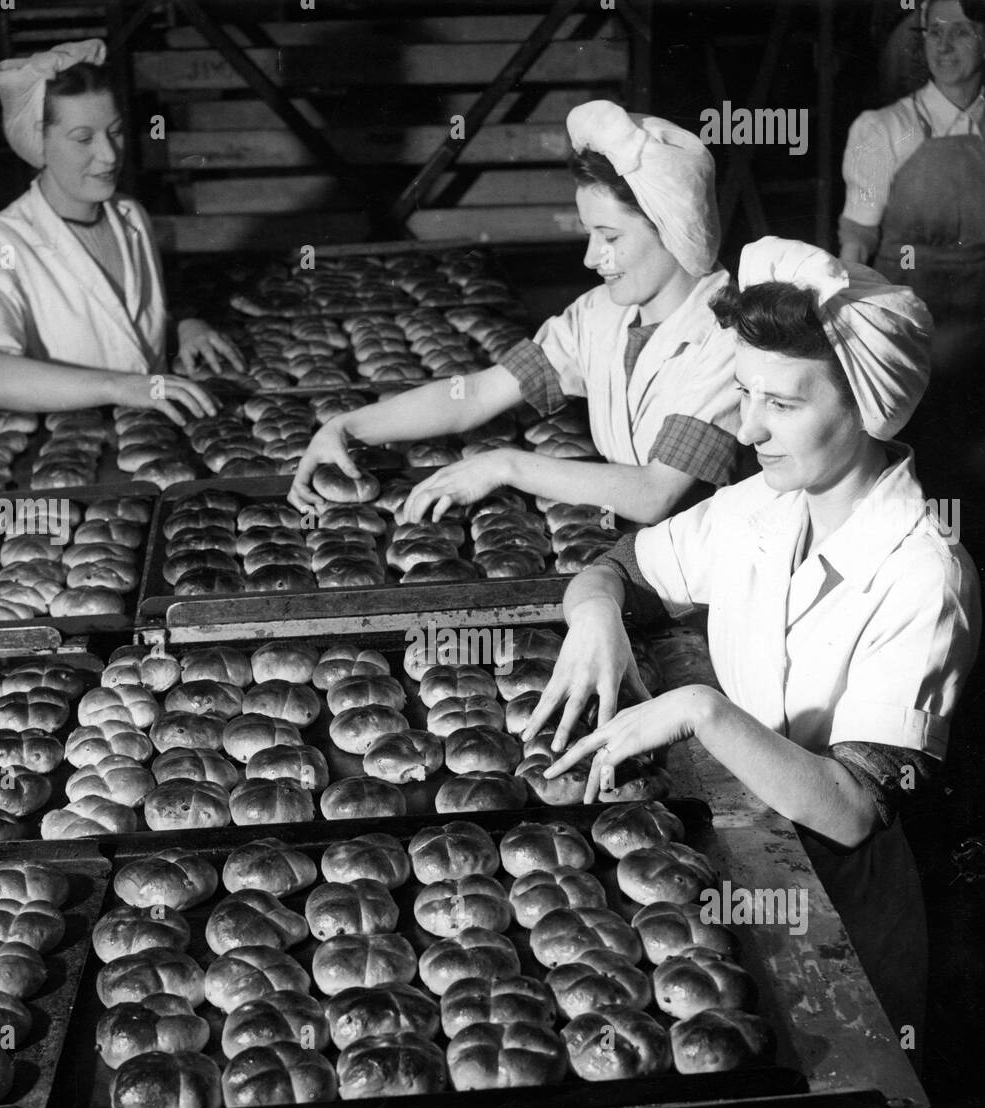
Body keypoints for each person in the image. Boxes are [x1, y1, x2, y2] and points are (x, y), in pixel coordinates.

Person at [527, 237, 981, 1045]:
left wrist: (698, 709)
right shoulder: (760, 507)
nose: (748, 426)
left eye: (783, 402)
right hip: (739, 859)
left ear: (865, 408)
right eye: (742, 392)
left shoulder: (922, 574)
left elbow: (850, 810)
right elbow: (616, 566)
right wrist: (596, 615)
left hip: (843, 909)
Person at [289, 101, 742, 525]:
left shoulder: (729, 338)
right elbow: (477, 393)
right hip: (636, 544)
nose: (590, 258)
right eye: (588, 233)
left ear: (673, 230)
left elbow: (653, 494)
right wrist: (347, 426)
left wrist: (503, 465)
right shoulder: (600, 315)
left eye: (610, 236)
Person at [0, 40, 241, 424]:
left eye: (116, 132)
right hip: (65, 460)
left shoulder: (130, 216)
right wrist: (119, 387)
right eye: (84, 138)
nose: (108, 155)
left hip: (154, 447)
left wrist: (183, 328)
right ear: (38, 140)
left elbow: (119, 328)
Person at [839, 0, 985, 374]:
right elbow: (858, 239)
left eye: (960, 31)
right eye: (934, 32)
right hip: (908, 322)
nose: (943, 45)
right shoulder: (880, 130)